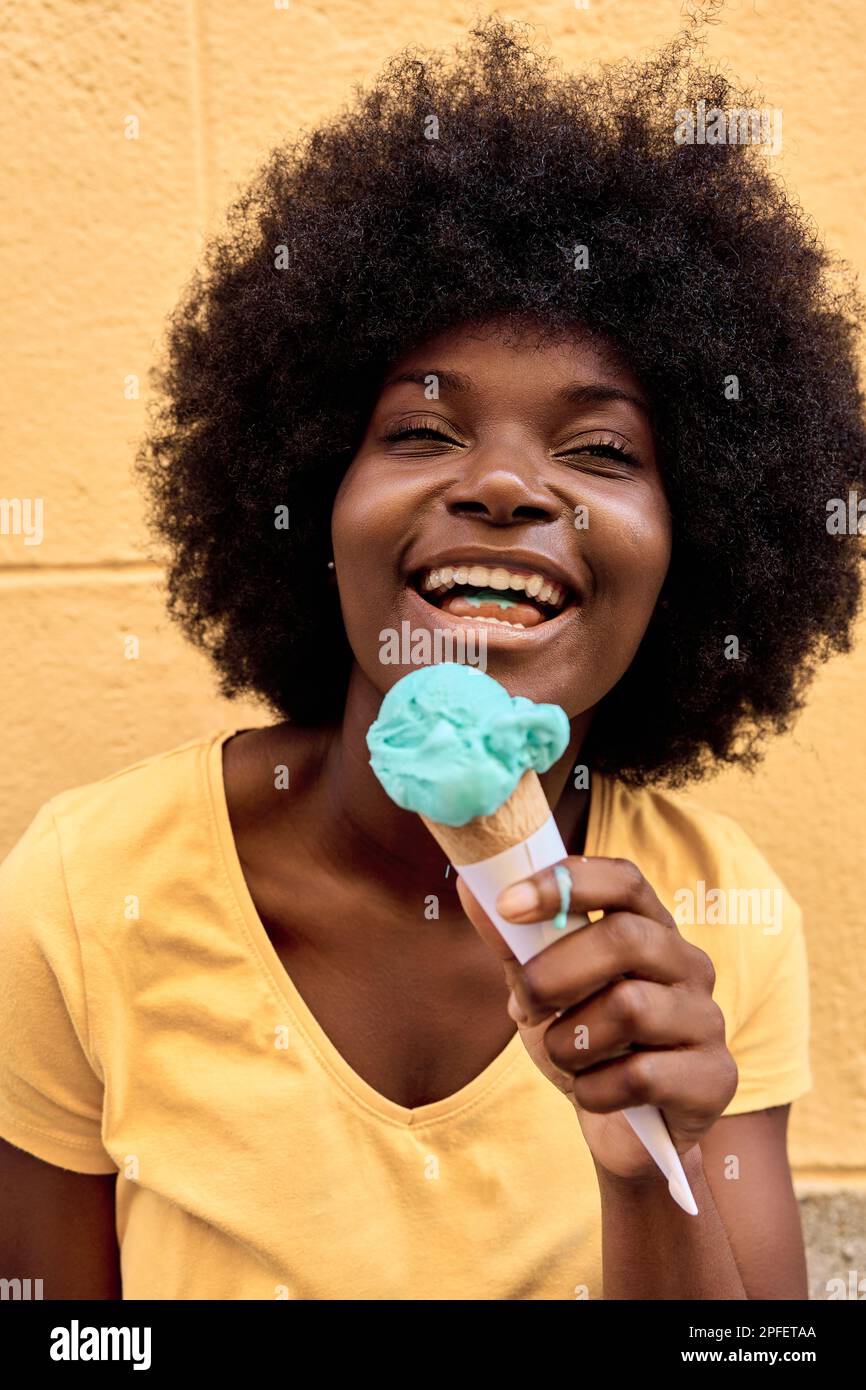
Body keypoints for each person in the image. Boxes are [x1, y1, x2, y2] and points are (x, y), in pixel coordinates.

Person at [2, 17, 863, 1300]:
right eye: (420, 429)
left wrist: (646, 1170)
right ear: (312, 498)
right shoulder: (84, 888)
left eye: (599, 451)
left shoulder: (712, 915)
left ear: (700, 546)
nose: (507, 482)